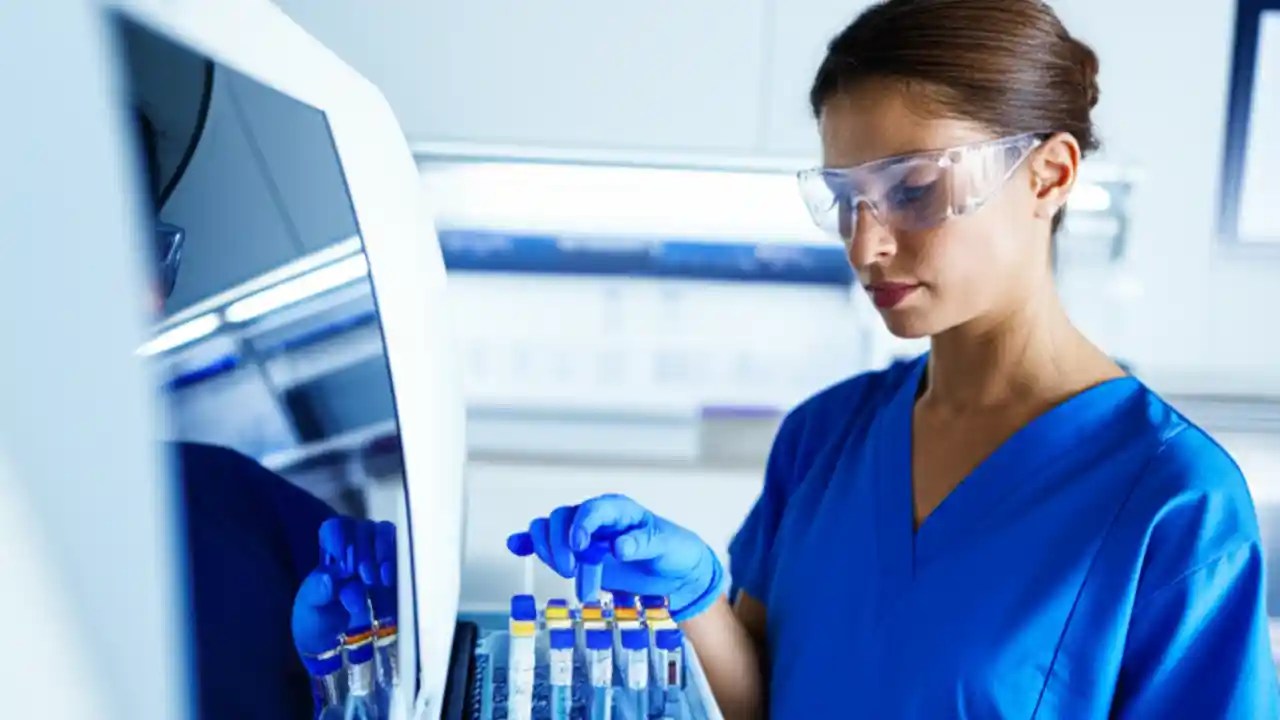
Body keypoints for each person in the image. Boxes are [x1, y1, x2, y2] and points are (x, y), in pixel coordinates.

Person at [505, 1, 1280, 717]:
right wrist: (697, 598)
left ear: (1050, 175)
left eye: (913, 189)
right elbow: (761, 701)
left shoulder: (1174, 503)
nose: (864, 244)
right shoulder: (824, 437)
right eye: (846, 200)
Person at [132, 109, 392, 719]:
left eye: (150, 250)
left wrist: (360, 682)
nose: (152, 296)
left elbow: (434, 667)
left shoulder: (233, 500)